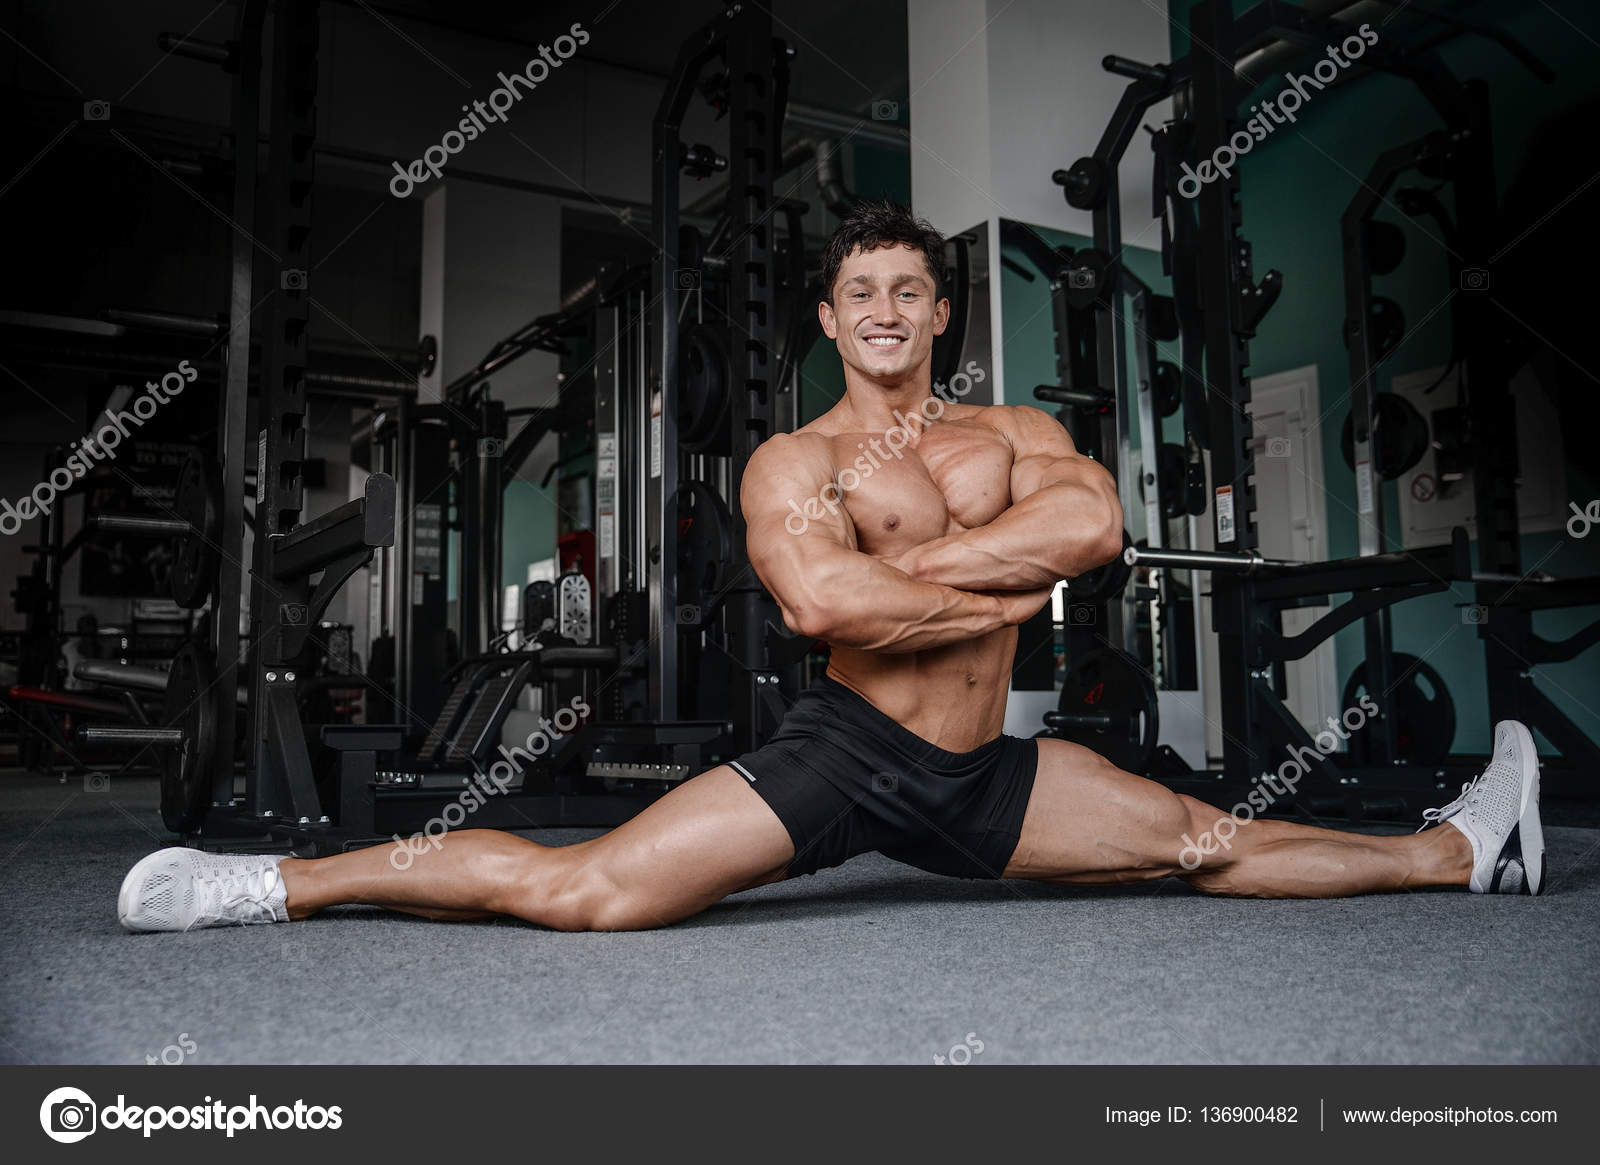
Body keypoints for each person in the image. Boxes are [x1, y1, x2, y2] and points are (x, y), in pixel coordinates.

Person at [116, 201, 1543, 934]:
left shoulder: (1014, 428)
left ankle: (1459, 849)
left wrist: (942, 577)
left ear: (939, 309)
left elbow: (1093, 528)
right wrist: (1001, 585)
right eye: (858, 293)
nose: (883, 310)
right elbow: (818, 602)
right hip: (845, 752)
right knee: (586, 894)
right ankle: (279, 888)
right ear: (829, 315)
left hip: (990, 766)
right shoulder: (794, 463)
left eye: (908, 291)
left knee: (1199, 836)